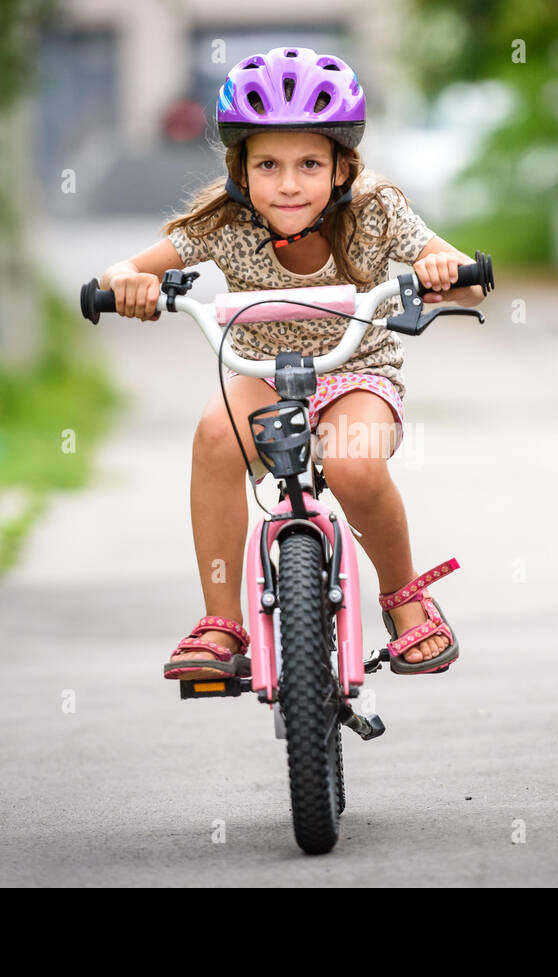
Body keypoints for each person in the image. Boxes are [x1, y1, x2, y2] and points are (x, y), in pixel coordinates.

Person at [97, 46, 486, 680]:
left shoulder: (375, 210)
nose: (287, 183)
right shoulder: (223, 224)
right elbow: (125, 268)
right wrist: (126, 284)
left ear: (341, 168)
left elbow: (468, 282)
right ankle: (221, 623)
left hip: (357, 370)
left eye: (309, 163)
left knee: (354, 464)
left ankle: (404, 596)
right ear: (240, 172)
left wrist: (444, 273)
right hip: (262, 375)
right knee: (216, 438)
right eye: (268, 164)